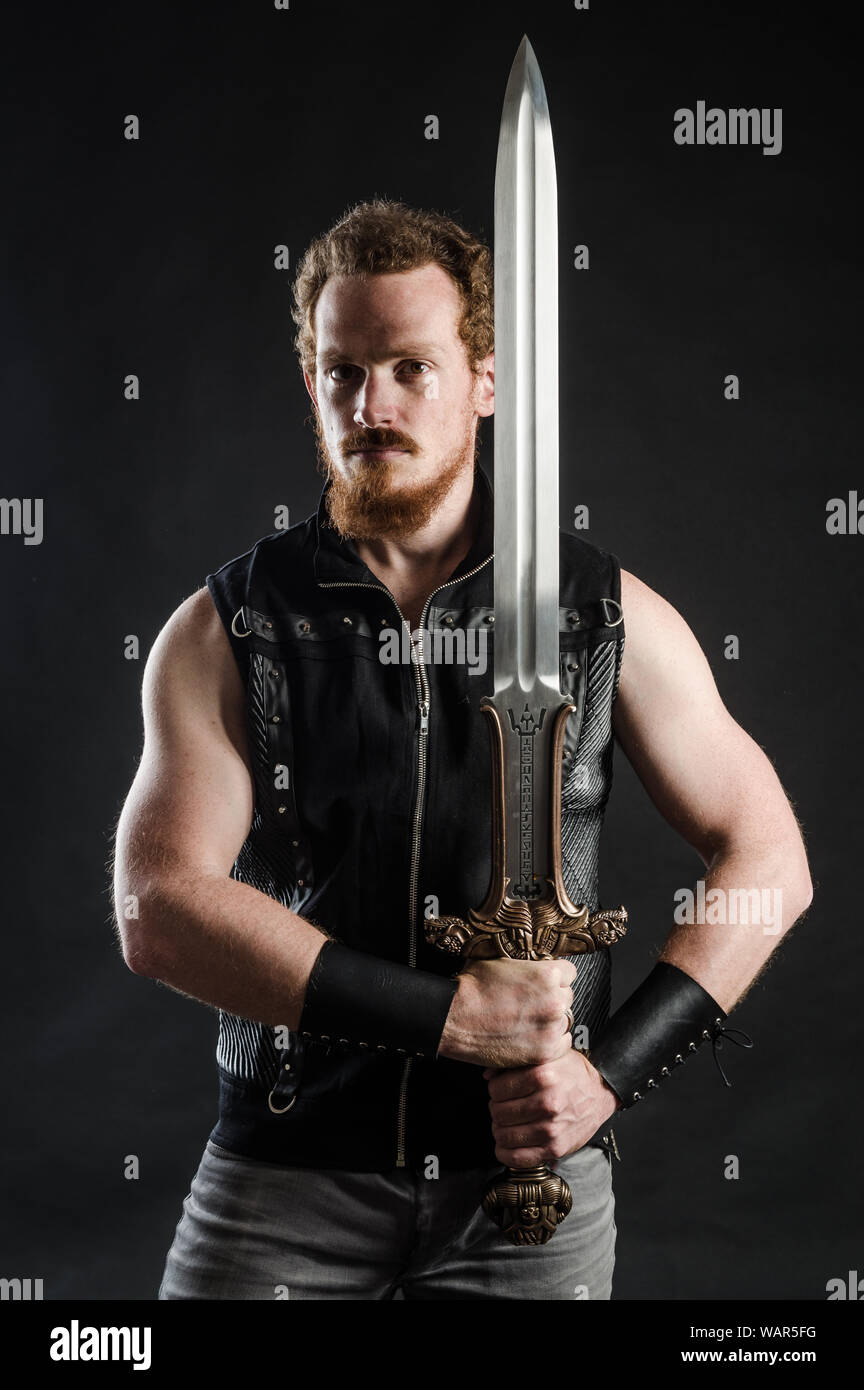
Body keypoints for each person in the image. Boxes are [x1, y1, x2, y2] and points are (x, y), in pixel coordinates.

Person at [113, 199, 812, 1301]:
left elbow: (767, 859)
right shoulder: (230, 628)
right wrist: (448, 1021)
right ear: (311, 386)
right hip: (286, 1169)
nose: (370, 405)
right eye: (341, 372)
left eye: (409, 368)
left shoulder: (598, 615)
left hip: (526, 1186)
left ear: (484, 381)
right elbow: (157, 910)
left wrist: (609, 1074)